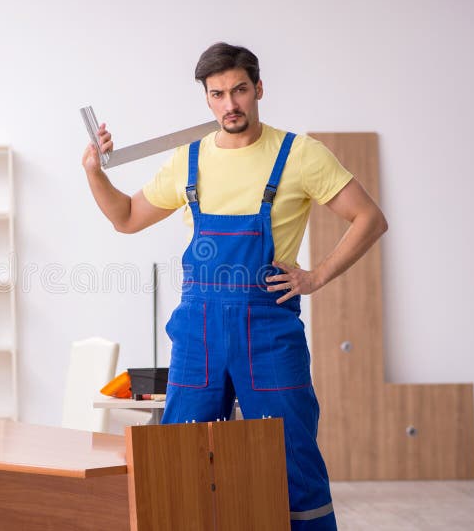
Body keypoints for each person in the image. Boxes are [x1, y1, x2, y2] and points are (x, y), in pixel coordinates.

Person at [81, 42, 387, 531]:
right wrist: (94, 172)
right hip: (197, 334)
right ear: (206, 98)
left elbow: (370, 218)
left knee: (293, 459)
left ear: (258, 89)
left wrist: (317, 275)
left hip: (268, 332)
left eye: (240, 90)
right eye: (218, 94)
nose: (231, 104)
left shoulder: (299, 154)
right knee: (180, 460)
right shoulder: (190, 160)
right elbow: (125, 217)